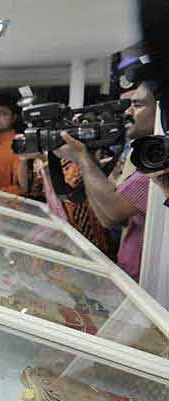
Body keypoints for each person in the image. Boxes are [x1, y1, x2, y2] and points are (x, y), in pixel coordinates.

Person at [55, 81, 159, 282]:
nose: (128, 112)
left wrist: (83, 158)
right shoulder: (148, 155)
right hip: (135, 276)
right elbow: (107, 218)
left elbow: (113, 210)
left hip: (150, 282)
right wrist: (87, 160)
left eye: (137, 105)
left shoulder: (158, 162)